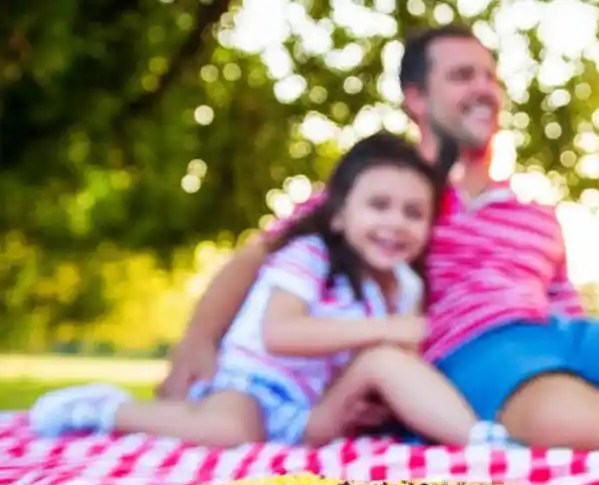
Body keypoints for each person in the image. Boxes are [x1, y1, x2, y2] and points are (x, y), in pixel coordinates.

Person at [156, 24, 599, 450]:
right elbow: (258, 256)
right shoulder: (378, 191)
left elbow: (566, 307)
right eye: (463, 76)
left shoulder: (533, 212)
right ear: (417, 97)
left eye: (491, 76)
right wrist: (198, 343)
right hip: (484, 358)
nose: (485, 89)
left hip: (558, 340)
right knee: (564, 404)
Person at [30, 132, 484, 448]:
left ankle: (484, 440)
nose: (394, 223)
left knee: (386, 362)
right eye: (379, 205)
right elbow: (279, 333)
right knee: (231, 429)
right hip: (256, 386)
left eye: (412, 212)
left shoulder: (404, 287)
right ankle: (106, 411)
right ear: (340, 214)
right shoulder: (311, 255)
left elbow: (391, 361)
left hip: (313, 411)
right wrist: (384, 327)